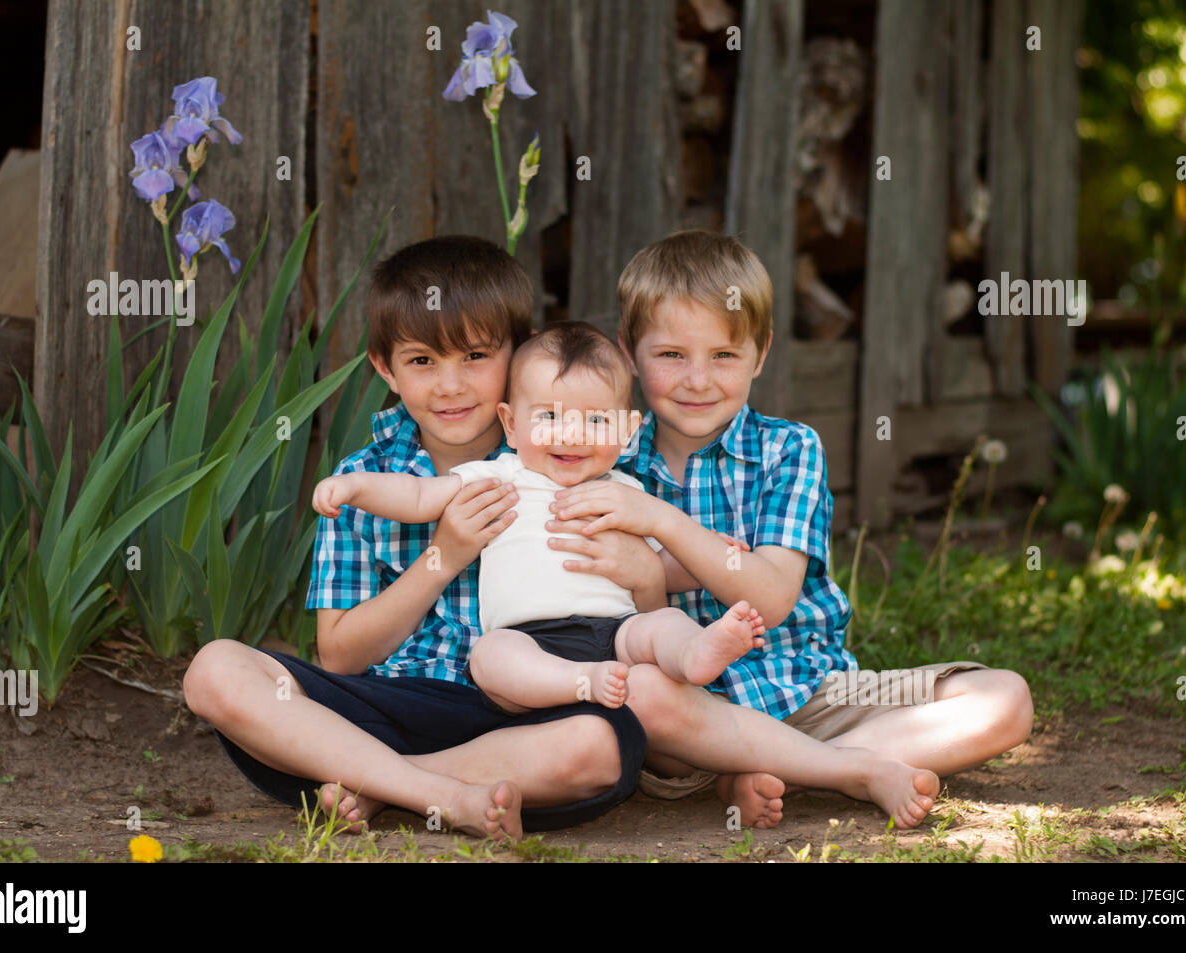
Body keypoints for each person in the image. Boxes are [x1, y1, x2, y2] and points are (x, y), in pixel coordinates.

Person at [547, 230, 1035, 829]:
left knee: (1004, 700)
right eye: (671, 355)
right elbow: (621, 608)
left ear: (761, 352)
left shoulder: (788, 448)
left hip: (810, 689)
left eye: (724, 355)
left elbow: (773, 596)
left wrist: (661, 524)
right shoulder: (605, 458)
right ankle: (823, 770)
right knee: (640, 693)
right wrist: (663, 570)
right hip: (694, 716)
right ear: (629, 353)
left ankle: (786, 767)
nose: (698, 379)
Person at [182, 236, 648, 840]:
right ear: (386, 369)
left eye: (476, 356)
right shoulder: (363, 478)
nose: (450, 385)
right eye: (423, 361)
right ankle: (438, 794)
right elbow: (342, 656)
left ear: (517, 356)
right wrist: (444, 556)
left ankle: (380, 786)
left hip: (517, 709)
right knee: (214, 670)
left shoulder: (570, 455)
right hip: (387, 704)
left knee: (597, 745)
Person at [312, 321, 770, 715]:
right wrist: (357, 488)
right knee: (490, 657)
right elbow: (416, 495)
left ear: (628, 430)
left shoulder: (626, 493)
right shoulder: (499, 475)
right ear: (511, 425)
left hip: (617, 633)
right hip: (527, 638)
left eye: (595, 421)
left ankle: (697, 653)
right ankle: (578, 682)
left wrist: (711, 549)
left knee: (663, 628)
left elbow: (661, 567)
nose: (571, 434)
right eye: (550, 415)